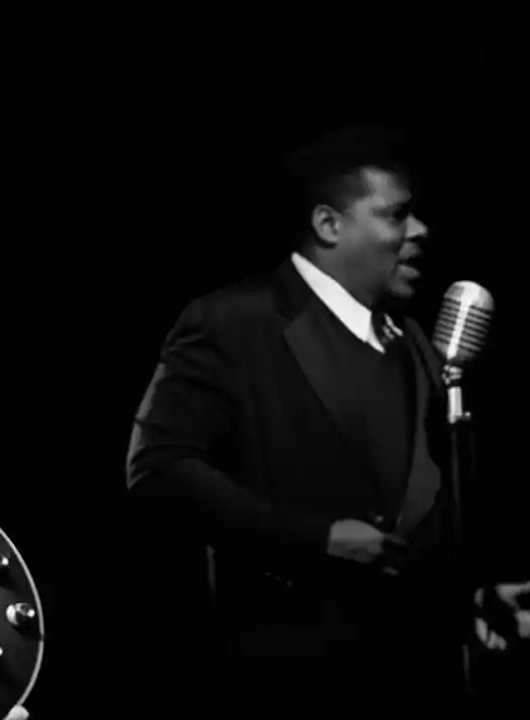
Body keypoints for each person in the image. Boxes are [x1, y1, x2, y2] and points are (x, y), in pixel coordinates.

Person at [124, 124, 470, 714]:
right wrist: (312, 539)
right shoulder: (234, 322)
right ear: (329, 225)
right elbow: (158, 467)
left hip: (416, 672)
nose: (419, 231)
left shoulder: (411, 343)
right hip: (288, 674)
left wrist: (471, 597)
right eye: (397, 215)